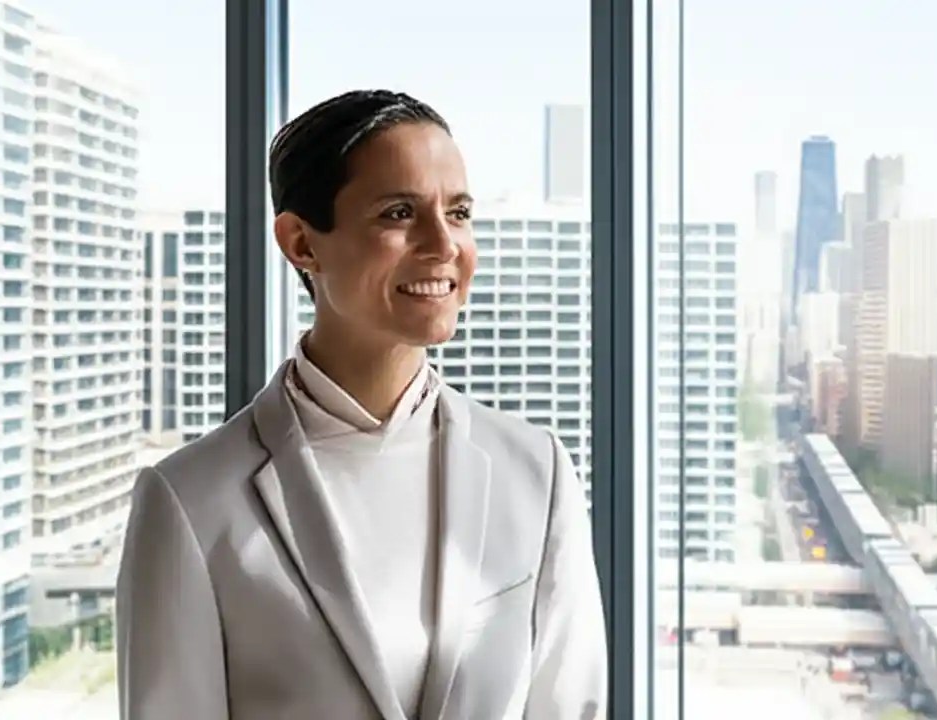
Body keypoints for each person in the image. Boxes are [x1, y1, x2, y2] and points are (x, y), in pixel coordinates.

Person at [115, 89, 607, 720]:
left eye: (457, 212)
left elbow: (573, 707)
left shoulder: (536, 472)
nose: (443, 244)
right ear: (301, 243)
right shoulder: (188, 500)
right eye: (399, 213)